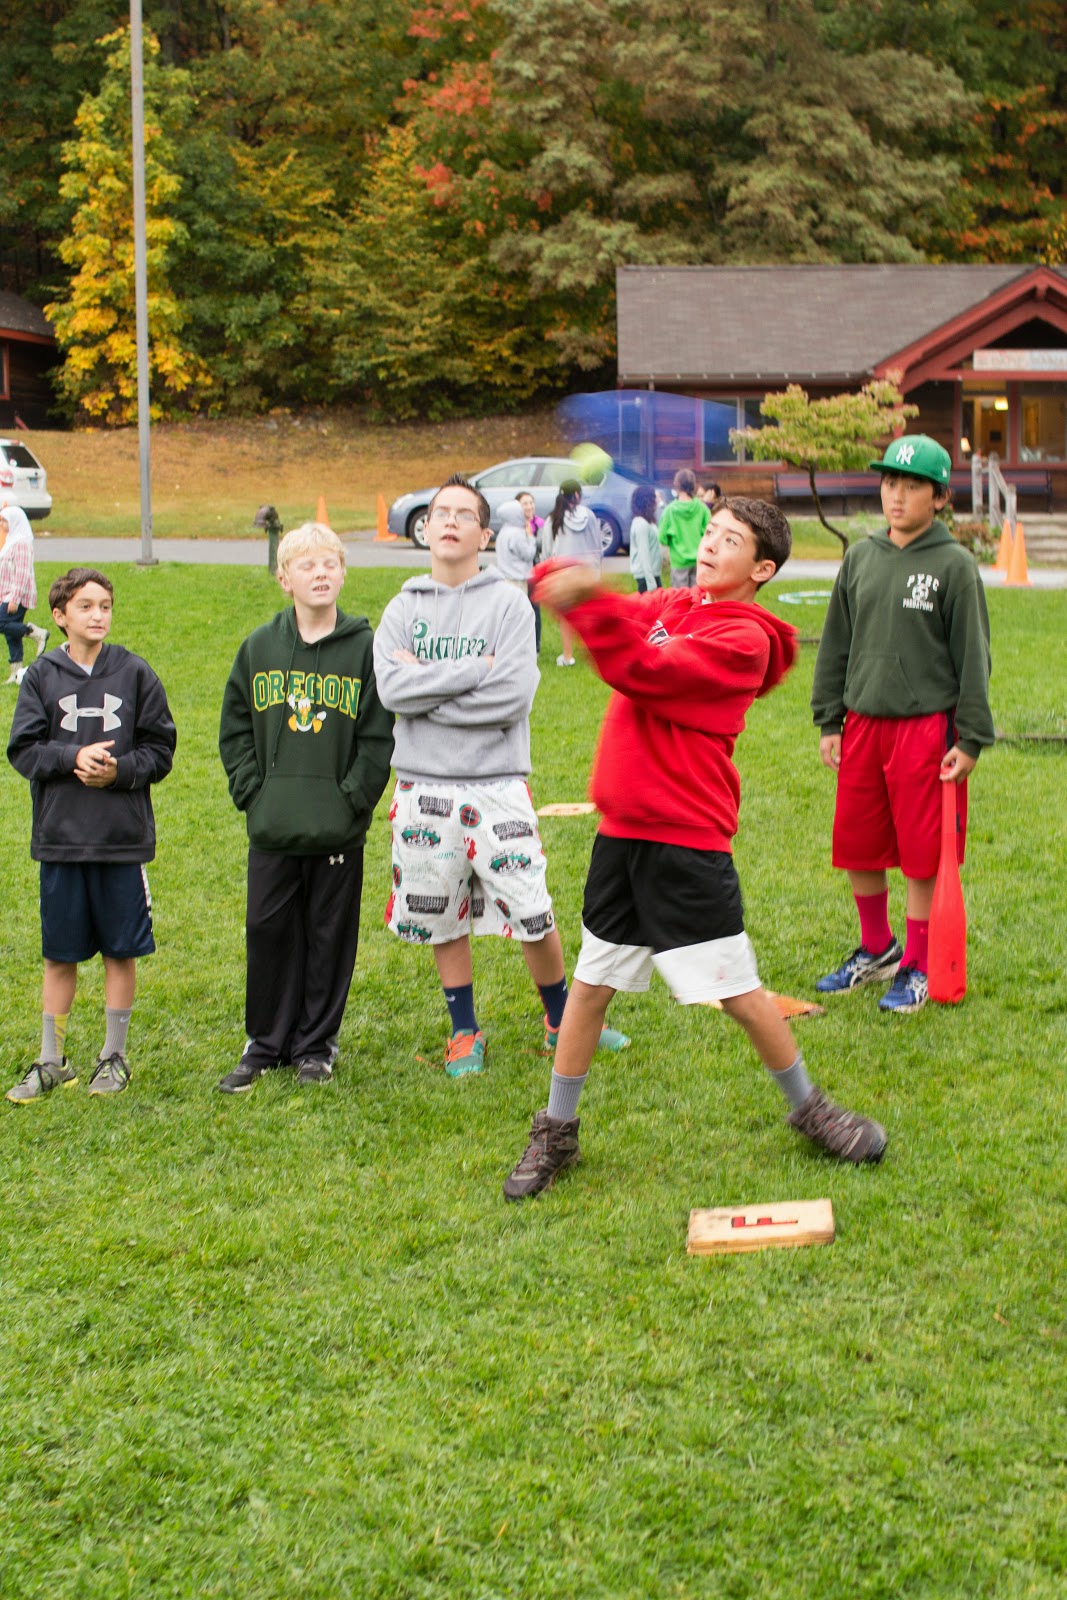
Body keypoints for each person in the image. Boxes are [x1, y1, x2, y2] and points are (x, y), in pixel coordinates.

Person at [503, 495, 888, 1200]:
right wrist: (569, 577)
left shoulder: (745, 643)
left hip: (685, 842)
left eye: (730, 541)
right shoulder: (675, 605)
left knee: (738, 993)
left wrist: (587, 602)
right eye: (709, 533)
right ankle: (556, 1132)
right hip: (621, 836)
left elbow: (646, 671)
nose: (709, 546)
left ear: (761, 568)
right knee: (589, 989)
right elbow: (623, 619)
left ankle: (810, 1109)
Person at [373, 473, 628, 1078]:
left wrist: (428, 689)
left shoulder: (510, 604)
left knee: (531, 908)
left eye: (466, 514)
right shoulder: (402, 608)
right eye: (441, 512)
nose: (452, 521)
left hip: (497, 785)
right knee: (440, 910)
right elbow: (391, 690)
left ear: (485, 534)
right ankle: (465, 1030)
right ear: (427, 528)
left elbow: (510, 697)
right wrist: (471, 670)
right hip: (423, 787)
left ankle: (560, 1018)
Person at [811, 434, 994, 1015]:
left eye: (912, 485)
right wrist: (829, 718)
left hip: (926, 730)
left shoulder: (954, 566)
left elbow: (973, 657)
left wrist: (970, 738)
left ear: (939, 497)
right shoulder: (861, 557)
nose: (897, 494)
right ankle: (877, 947)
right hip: (863, 723)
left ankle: (916, 962)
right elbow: (836, 644)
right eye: (890, 482)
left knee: (921, 854)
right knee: (858, 845)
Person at [217, 523, 394, 1092]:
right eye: (306, 565)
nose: (319, 573)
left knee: (328, 937)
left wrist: (352, 801)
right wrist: (253, 792)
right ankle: (265, 1043)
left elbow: (377, 735)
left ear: (343, 572)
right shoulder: (259, 647)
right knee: (267, 932)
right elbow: (236, 726)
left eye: (329, 564)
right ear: (283, 578)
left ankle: (316, 1045)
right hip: (273, 825)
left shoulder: (366, 649)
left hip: (335, 829)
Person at [6, 567, 176, 1102]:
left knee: (118, 950)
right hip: (61, 839)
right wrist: (71, 756)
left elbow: (160, 749)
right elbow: (23, 750)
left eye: (104, 605)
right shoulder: (41, 677)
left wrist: (119, 772)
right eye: (85, 606)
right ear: (59, 617)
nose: (97, 614)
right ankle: (51, 1059)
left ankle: (113, 1055)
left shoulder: (134, 673)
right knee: (60, 953)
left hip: (120, 840)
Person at [541, 479, 602, 666]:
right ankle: (594, 654)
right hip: (585, 571)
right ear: (576, 495)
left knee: (567, 618)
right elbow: (597, 545)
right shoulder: (589, 516)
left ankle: (568, 656)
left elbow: (547, 550)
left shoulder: (553, 519)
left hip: (562, 573)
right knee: (588, 615)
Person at [0, 505, 48, 684]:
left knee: (2, 623)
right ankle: (16, 672)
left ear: (15, 522)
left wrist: (14, 598)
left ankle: (36, 632)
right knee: (11, 633)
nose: (2, 524)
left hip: (16, 596)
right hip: (7, 594)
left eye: (5, 520)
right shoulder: (11, 541)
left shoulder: (21, 544)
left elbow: (22, 572)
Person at [494, 497, 541, 653]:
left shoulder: (503, 532)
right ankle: (522, 648)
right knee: (521, 616)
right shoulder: (518, 533)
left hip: (505, 578)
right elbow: (528, 554)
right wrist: (531, 538)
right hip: (518, 580)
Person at [658, 468, 709, 588]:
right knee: (698, 597)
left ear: (676, 485)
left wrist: (673, 542)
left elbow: (662, 538)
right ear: (693, 485)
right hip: (699, 560)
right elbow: (709, 533)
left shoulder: (669, 511)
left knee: (681, 599)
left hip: (678, 561)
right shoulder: (702, 509)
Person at [627, 485, 663, 593]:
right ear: (648, 501)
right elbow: (644, 554)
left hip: (653, 574)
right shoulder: (641, 524)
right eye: (655, 497)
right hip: (646, 577)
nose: (657, 500)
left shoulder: (648, 521)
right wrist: (651, 584)